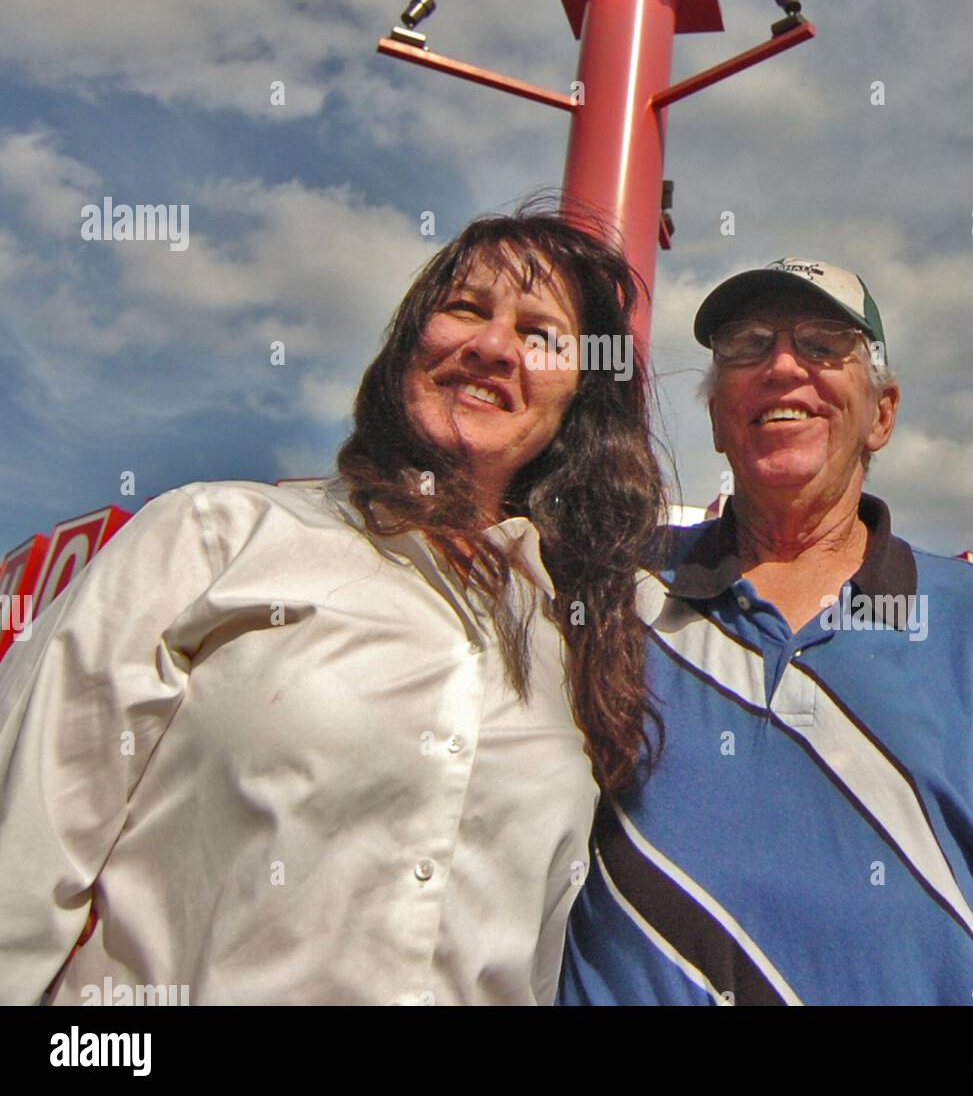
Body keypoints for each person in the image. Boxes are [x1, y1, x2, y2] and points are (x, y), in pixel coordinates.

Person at [0, 209, 666, 1006]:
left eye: (539, 333)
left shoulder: (583, 643)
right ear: (408, 343)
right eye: (464, 309)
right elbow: (24, 846)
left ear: (577, 404)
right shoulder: (214, 536)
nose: (492, 346)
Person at [557, 256, 973, 1005]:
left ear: (882, 413)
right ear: (715, 418)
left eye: (822, 343)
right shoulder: (612, 590)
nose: (781, 365)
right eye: (747, 344)